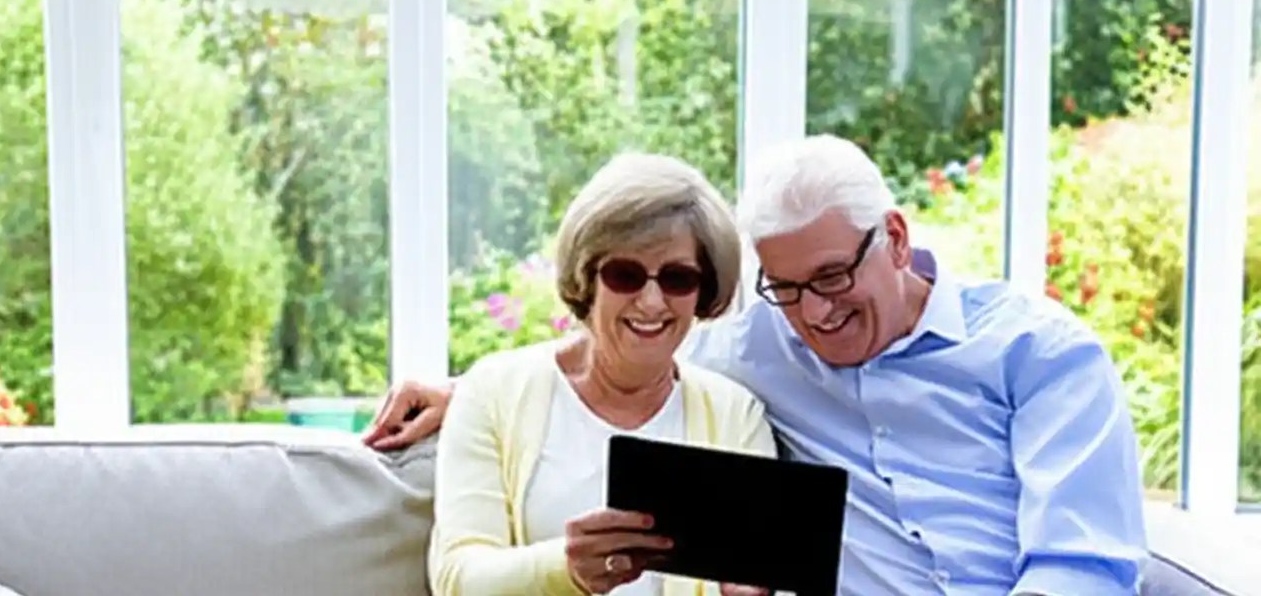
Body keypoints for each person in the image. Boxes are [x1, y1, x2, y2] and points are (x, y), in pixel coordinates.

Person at [365, 135, 1148, 595]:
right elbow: (631, 345)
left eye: (835, 276)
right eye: (788, 288)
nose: (816, 314)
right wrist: (467, 393)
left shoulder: (1039, 357)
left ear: (899, 241)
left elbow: (1081, 568)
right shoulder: (762, 340)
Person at [419, 152, 778, 596]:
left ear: (703, 290)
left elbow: (761, 574)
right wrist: (564, 568)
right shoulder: (492, 392)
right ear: (587, 279)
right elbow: (456, 578)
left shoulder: (735, 415)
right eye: (625, 275)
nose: (651, 302)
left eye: (677, 278)